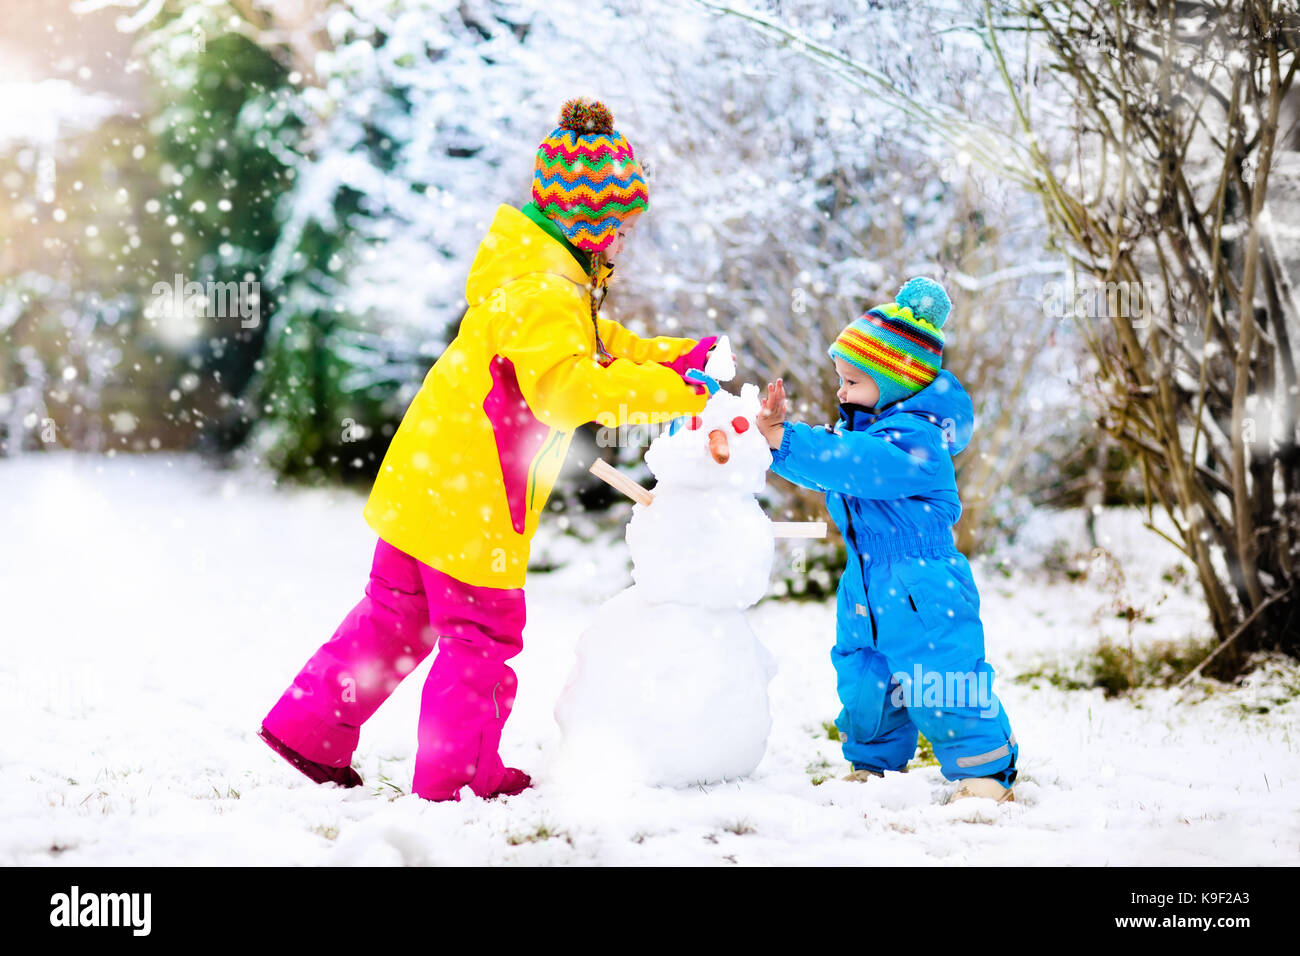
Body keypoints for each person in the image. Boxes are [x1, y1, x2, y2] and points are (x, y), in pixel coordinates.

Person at [258, 97, 717, 802]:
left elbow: (599, 348)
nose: (625, 242)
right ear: (587, 220)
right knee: (481, 634)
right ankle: (461, 772)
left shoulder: (536, 273)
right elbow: (568, 389)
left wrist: (676, 360)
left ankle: (312, 727)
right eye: (621, 226)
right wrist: (681, 397)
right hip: (472, 490)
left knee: (395, 617)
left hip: (428, 471)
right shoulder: (547, 291)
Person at [755, 277, 1019, 804]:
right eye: (841, 380)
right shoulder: (866, 436)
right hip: (866, 581)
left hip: (923, 585)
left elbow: (857, 467)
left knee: (942, 677)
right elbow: (841, 466)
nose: (841, 392)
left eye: (853, 381)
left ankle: (984, 773)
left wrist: (788, 440)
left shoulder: (915, 441)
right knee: (864, 678)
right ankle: (873, 765)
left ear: (895, 381)